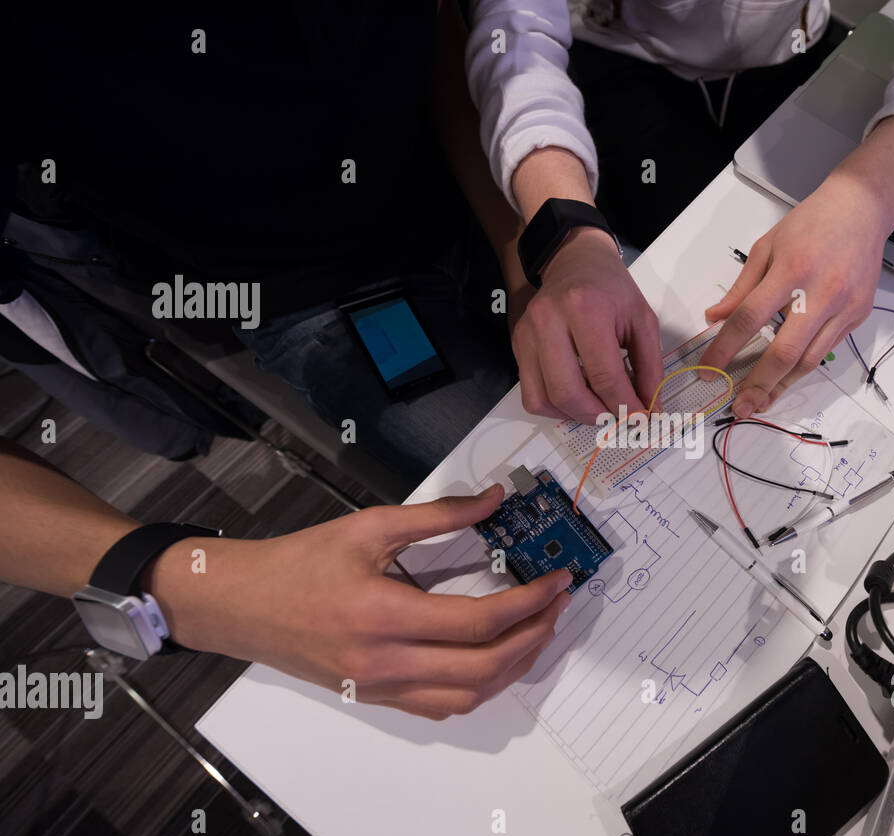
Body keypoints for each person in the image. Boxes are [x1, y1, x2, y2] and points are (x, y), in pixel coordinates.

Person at [0, 4, 570, 719]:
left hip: (478, 167)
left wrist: (528, 242)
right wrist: (193, 590)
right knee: (547, 549)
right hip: (311, 287)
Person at [465, 0, 894, 421]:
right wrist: (568, 233)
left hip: (798, 53)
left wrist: (878, 189)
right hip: (609, 64)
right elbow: (514, 32)